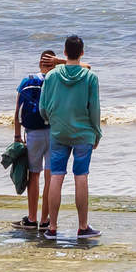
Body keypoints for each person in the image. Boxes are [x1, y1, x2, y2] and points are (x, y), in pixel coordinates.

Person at [39, 34, 102, 238]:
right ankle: (83, 226)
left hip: (58, 131)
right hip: (84, 132)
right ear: (82, 53)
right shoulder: (91, 77)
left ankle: (52, 227)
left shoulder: (51, 76)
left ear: (64, 52)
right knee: (81, 176)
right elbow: (94, 110)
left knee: (56, 176)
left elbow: (43, 107)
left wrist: (53, 120)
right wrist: (97, 132)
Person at [13, 51, 54, 232]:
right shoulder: (58, 81)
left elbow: (17, 111)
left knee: (34, 175)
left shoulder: (27, 80)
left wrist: (16, 136)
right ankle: (45, 220)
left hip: (33, 133)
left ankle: (31, 218)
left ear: (39, 64)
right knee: (50, 177)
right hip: (54, 132)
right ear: (55, 64)